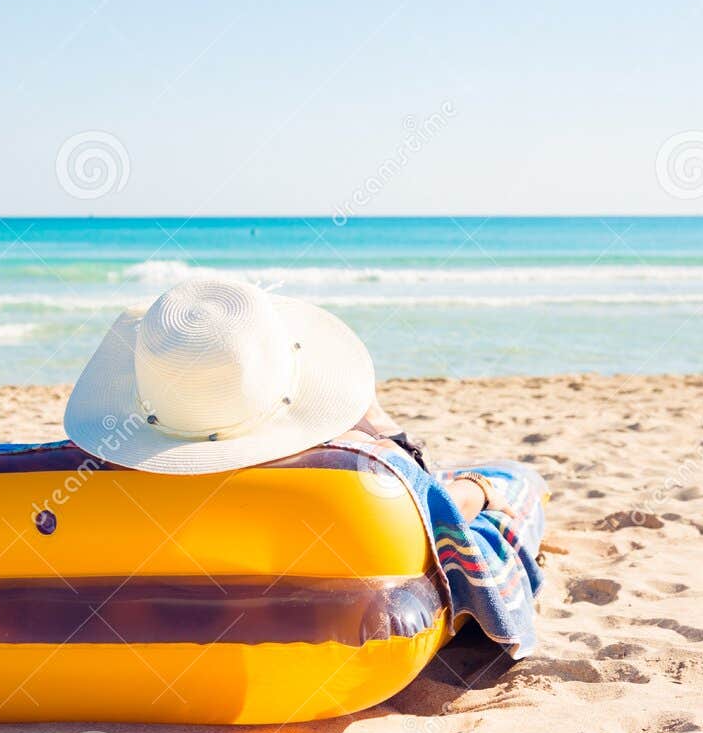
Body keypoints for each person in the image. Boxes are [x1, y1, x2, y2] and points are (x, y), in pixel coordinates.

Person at [60, 273, 544, 655]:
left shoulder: (92, 483)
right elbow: (437, 515)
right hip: (382, 503)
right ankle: (386, 425)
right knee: (511, 478)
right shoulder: (349, 479)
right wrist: (476, 485)